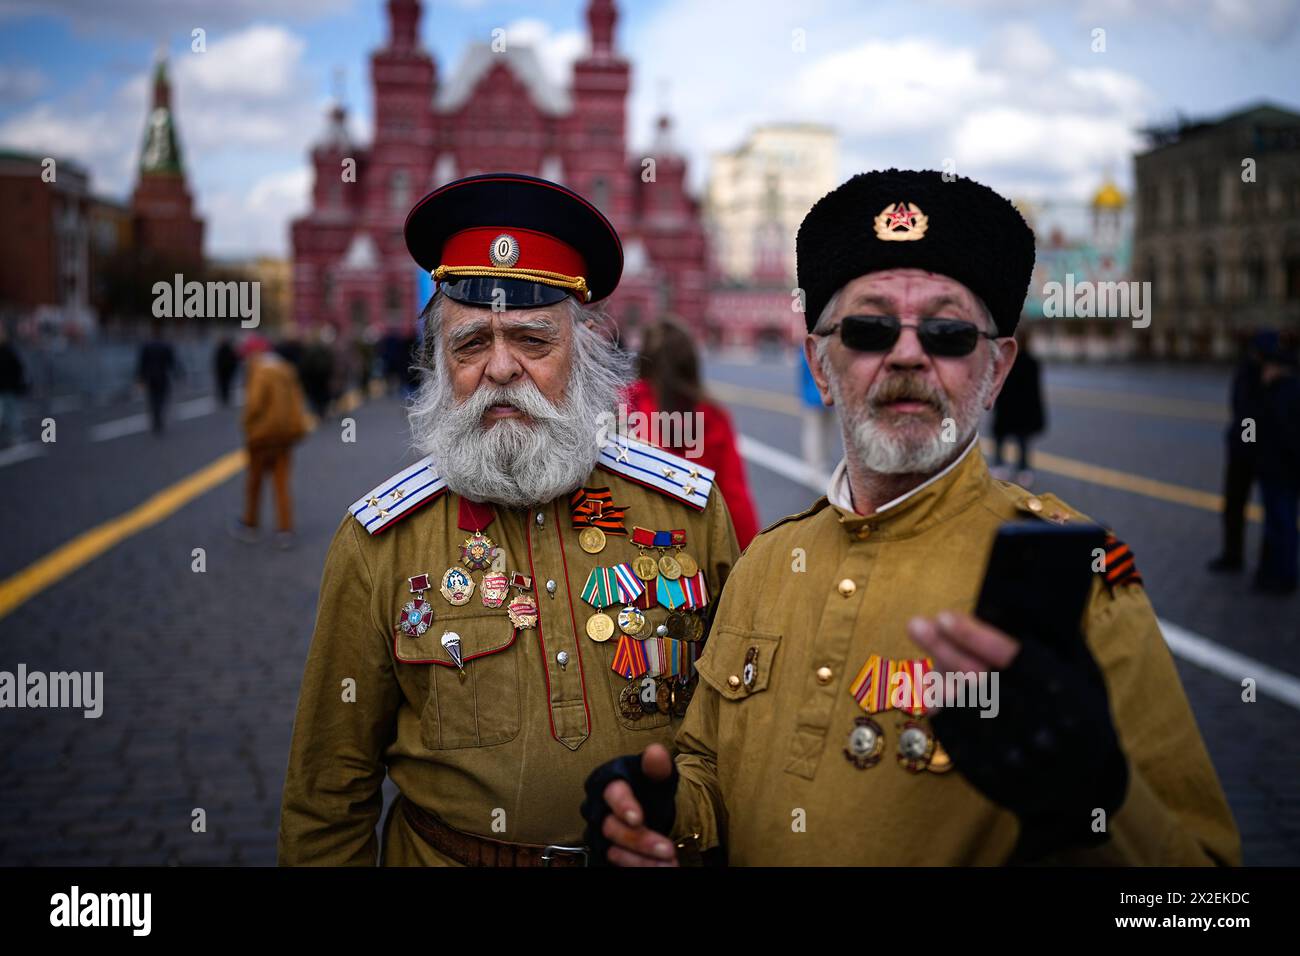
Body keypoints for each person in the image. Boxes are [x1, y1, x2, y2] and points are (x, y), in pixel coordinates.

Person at [582, 169, 1240, 866]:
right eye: (868, 329)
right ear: (820, 363)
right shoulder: (767, 564)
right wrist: (659, 813)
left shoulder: (1082, 584)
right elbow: (710, 777)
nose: (905, 353)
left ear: (998, 369)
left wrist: (1098, 797)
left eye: (948, 332)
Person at [277, 173, 740, 866]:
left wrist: (684, 825)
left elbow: (733, 739)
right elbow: (328, 793)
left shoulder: (687, 511)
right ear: (441, 364)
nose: (500, 368)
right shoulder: (379, 540)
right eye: (470, 345)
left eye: (531, 339)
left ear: (581, 355)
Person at [625, 320, 761, 550]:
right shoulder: (711, 416)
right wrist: (751, 558)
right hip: (694, 549)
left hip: (627, 546)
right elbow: (735, 499)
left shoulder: (620, 406)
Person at [229, 335, 309, 549]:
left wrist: (246, 424)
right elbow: (297, 402)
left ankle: (250, 524)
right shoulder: (286, 369)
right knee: (282, 483)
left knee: (254, 482)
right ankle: (285, 529)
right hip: (284, 435)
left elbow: (254, 405)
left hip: (262, 436)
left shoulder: (260, 371)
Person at [1208, 331, 1269, 573]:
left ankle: (1243, 558)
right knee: (1239, 506)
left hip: (1251, 452)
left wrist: (1247, 445)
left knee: (1245, 505)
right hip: (1254, 450)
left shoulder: (1254, 373)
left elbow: (1247, 414)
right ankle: (1240, 556)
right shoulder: (1257, 372)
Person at [1253, 338, 1300, 595]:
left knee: (1281, 524)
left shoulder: (1281, 393)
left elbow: (1263, 427)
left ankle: (1284, 576)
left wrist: (1249, 446)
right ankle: (1277, 572)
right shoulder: (1282, 390)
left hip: (1279, 470)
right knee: (1280, 523)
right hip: (1281, 469)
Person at [991, 325, 1045, 486]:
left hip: (1007, 407)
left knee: (1003, 439)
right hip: (1024, 409)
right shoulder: (1032, 361)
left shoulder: (1006, 361)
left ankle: (1001, 466)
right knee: (1022, 442)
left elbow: (999, 386)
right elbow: (1036, 392)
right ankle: (1023, 470)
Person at [135, 319, 179, 435]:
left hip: (150, 376)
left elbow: (142, 363)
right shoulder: (166, 345)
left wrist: (140, 377)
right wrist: (178, 374)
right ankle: (158, 416)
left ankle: (156, 417)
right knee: (162, 397)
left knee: (152, 398)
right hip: (162, 376)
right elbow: (172, 363)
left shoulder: (146, 346)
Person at [0, 324, 28, 447]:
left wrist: (19, 384)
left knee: (12, 413)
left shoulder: (9, 350)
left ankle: (15, 435)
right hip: (4, 387)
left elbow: (18, 368)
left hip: (10, 388)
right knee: (7, 413)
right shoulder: (8, 349)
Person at [214, 337, 239, 407]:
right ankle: (226, 397)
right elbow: (235, 360)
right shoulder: (230, 350)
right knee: (227, 385)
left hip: (223, 371)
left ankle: (224, 397)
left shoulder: (220, 349)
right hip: (227, 371)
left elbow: (216, 361)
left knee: (223, 385)